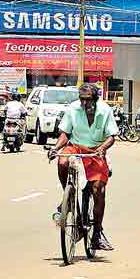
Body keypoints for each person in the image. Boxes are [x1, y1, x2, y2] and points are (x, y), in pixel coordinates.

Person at [51, 83, 119, 251]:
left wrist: (102, 149)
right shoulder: (73, 109)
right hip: (75, 146)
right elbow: (65, 133)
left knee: (98, 191)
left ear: (95, 99)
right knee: (62, 161)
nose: (84, 104)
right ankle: (68, 196)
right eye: (81, 99)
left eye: (88, 100)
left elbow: (111, 136)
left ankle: (96, 234)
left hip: (95, 150)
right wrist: (56, 148)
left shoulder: (105, 111)